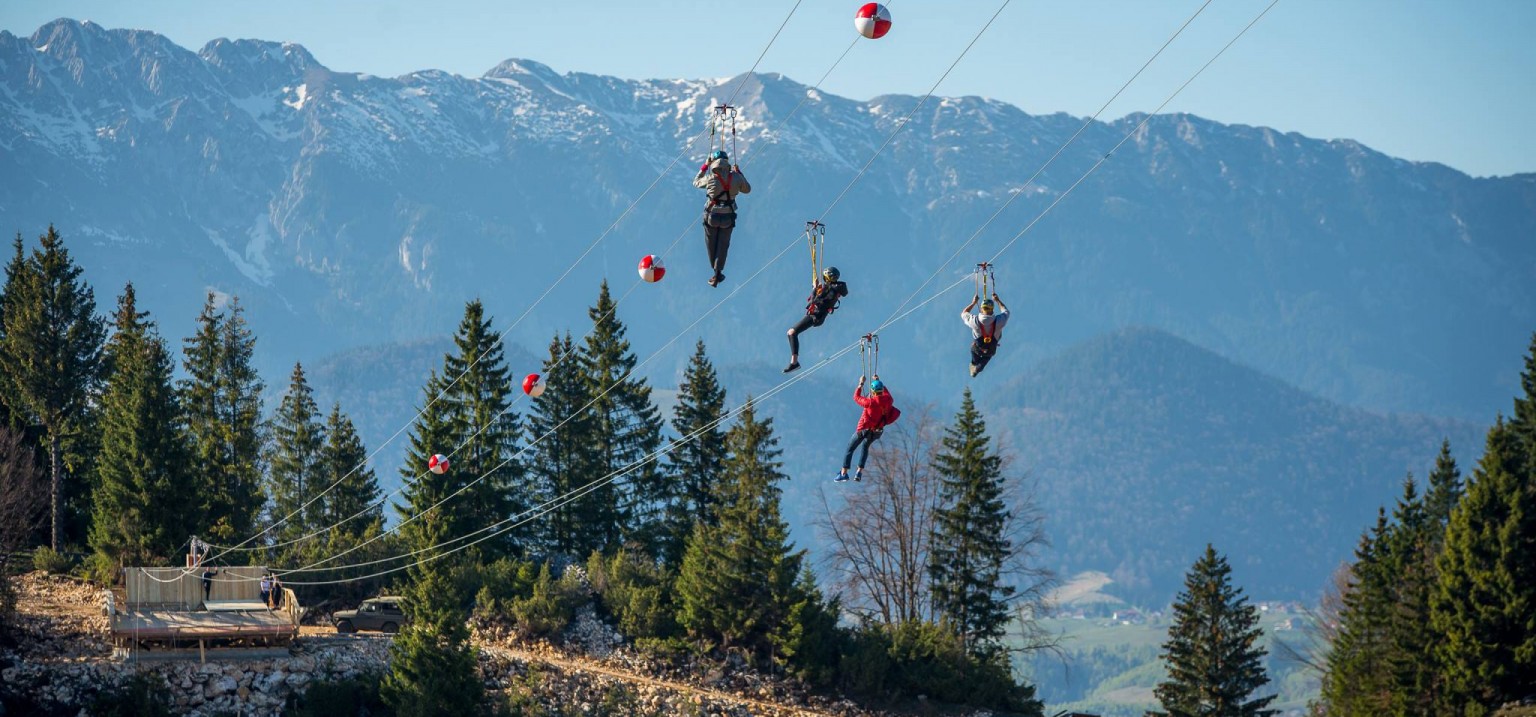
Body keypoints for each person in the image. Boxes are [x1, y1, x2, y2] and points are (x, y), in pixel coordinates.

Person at [693, 150, 751, 287]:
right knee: (723, 245)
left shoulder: (710, 178)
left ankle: (715, 271)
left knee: (710, 243)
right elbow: (747, 189)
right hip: (728, 216)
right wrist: (740, 173)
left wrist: (704, 166)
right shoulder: (736, 177)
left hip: (711, 215)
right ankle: (718, 272)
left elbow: (696, 182)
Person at [784, 267, 849, 373]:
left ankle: (794, 363)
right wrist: (819, 289)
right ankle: (794, 362)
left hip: (816, 315)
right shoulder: (837, 288)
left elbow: (816, 301)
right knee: (791, 332)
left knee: (791, 332)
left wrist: (815, 289)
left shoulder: (830, 289)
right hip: (818, 315)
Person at [837, 375, 898, 482]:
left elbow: (856, 397)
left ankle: (844, 473)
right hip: (877, 431)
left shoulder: (870, 402)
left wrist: (861, 383)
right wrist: (878, 381)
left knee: (850, 448)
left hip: (864, 429)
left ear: (873, 392)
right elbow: (887, 393)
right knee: (865, 447)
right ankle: (859, 472)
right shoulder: (888, 400)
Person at [961, 292, 1010, 377]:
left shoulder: (974, 321)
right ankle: (977, 368)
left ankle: (974, 364)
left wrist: (973, 303)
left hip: (978, 348)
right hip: (991, 349)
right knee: (987, 357)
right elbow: (1006, 311)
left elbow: (964, 313)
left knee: (973, 349)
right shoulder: (999, 321)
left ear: (981, 309)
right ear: (992, 309)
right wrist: (998, 301)